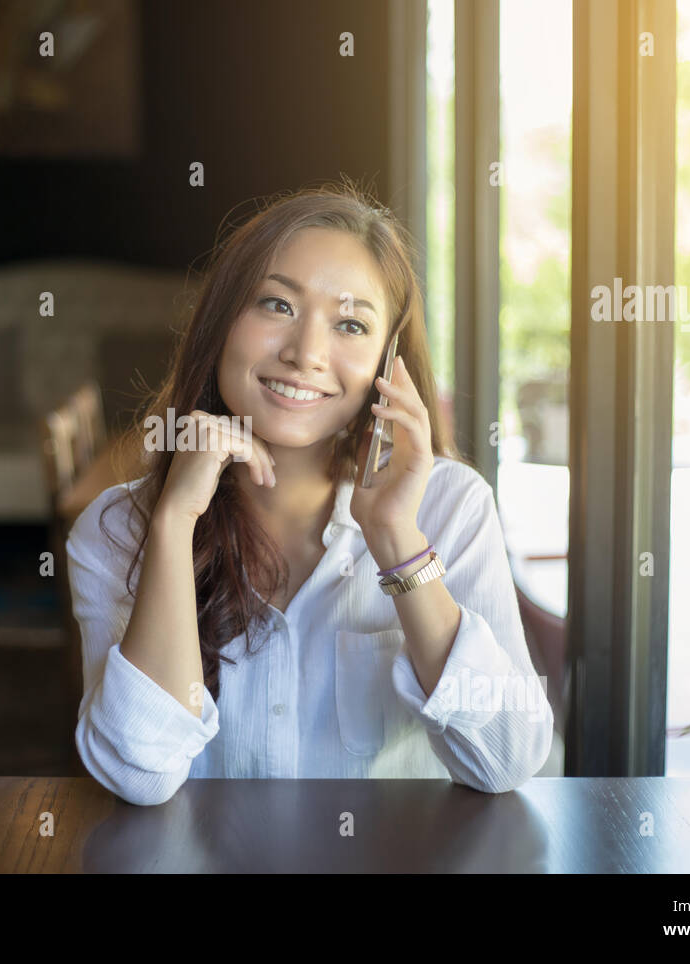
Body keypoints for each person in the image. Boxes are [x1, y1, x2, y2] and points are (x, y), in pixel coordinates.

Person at [68, 181, 553, 806]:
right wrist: (174, 524)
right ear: (221, 323)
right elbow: (139, 775)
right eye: (277, 305)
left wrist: (396, 541)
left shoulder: (452, 507)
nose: (307, 354)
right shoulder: (118, 526)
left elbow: (507, 759)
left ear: (388, 364)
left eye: (350, 324)